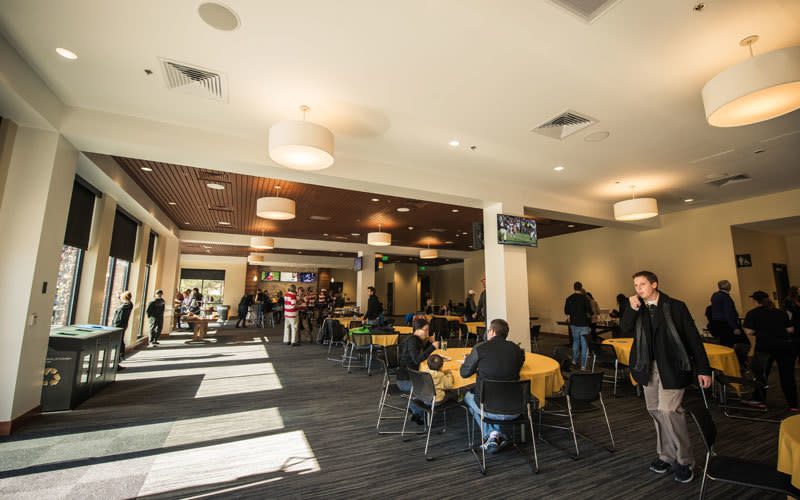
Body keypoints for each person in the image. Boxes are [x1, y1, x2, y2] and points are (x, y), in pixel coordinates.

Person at [620, 271, 712, 484]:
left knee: (670, 410)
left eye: (642, 284)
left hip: (673, 367)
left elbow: (693, 339)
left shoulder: (675, 306)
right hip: (646, 367)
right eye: (635, 285)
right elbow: (624, 329)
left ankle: (685, 460)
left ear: (654, 284)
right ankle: (666, 455)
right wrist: (632, 309)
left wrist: (704, 369)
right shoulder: (638, 308)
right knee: (655, 411)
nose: (638, 289)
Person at [461, 318, 525, 452]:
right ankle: (496, 434)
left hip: (489, 407)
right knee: (498, 393)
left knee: (467, 396)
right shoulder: (516, 349)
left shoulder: (480, 348)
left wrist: (472, 362)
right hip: (516, 407)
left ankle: (490, 434)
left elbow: (464, 373)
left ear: (491, 331)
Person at [744, 290, 797, 411]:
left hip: (764, 347)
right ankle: (793, 404)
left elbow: (749, 331)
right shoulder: (780, 312)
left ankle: (760, 400)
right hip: (784, 346)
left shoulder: (753, 313)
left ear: (755, 301)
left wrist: (760, 332)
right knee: (787, 376)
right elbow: (790, 330)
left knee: (762, 374)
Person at [397, 318, 439, 424]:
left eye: (427, 330)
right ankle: (416, 413)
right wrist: (432, 347)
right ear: (417, 329)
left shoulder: (416, 340)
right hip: (405, 379)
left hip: (411, 375)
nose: (427, 333)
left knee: (429, 382)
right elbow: (417, 359)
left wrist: (430, 344)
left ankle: (415, 408)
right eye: (425, 330)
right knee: (428, 386)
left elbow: (421, 355)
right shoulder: (412, 341)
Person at [709, 280, 746, 347]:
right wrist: (734, 327)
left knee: (724, 345)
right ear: (729, 287)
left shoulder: (715, 295)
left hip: (717, 324)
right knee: (742, 343)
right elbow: (728, 313)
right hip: (726, 324)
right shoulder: (726, 297)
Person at [564, 281, 592, 369]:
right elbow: (590, 312)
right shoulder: (585, 299)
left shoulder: (569, 298)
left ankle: (574, 360)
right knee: (584, 344)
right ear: (581, 288)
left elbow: (566, 311)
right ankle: (583, 365)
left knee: (575, 342)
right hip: (583, 324)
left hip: (573, 323)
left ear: (574, 288)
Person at [111, 291, 133, 369]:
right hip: (123, 326)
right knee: (120, 342)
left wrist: (113, 327)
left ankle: (118, 359)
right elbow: (125, 301)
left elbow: (118, 319)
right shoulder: (129, 305)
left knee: (118, 343)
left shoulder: (123, 307)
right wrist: (120, 296)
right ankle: (120, 356)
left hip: (118, 326)